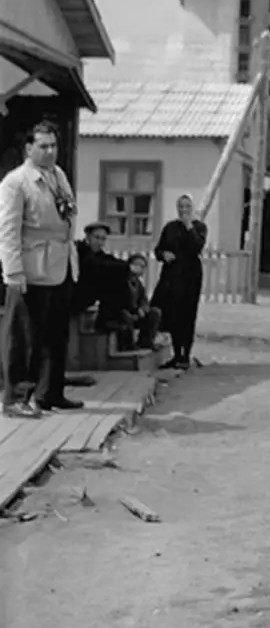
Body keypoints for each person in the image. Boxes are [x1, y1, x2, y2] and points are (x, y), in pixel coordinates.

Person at [0, 121, 82, 417]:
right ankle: (15, 398)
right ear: (28, 149)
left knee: (56, 334)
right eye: (43, 146)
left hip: (60, 264)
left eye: (54, 146)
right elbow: (8, 231)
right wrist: (13, 273)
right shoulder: (16, 182)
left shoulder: (58, 176)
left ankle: (50, 392)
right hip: (31, 267)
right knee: (24, 336)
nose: (50, 152)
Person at [151, 194, 208, 370]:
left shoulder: (199, 227)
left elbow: (197, 246)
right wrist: (163, 254)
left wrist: (188, 225)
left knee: (188, 315)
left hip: (190, 275)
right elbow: (158, 249)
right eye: (181, 207)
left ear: (192, 209)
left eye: (187, 207)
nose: (184, 210)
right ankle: (176, 355)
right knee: (173, 315)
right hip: (172, 275)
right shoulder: (170, 227)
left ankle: (186, 355)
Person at [97, 252, 162, 350]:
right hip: (120, 313)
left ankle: (146, 341)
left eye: (142, 266)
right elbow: (118, 301)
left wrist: (143, 309)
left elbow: (144, 300)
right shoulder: (119, 279)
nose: (139, 268)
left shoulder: (138, 283)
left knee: (155, 313)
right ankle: (129, 345)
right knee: (126, 315)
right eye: (137, 264)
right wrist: (135, 311)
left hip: (135, 314)